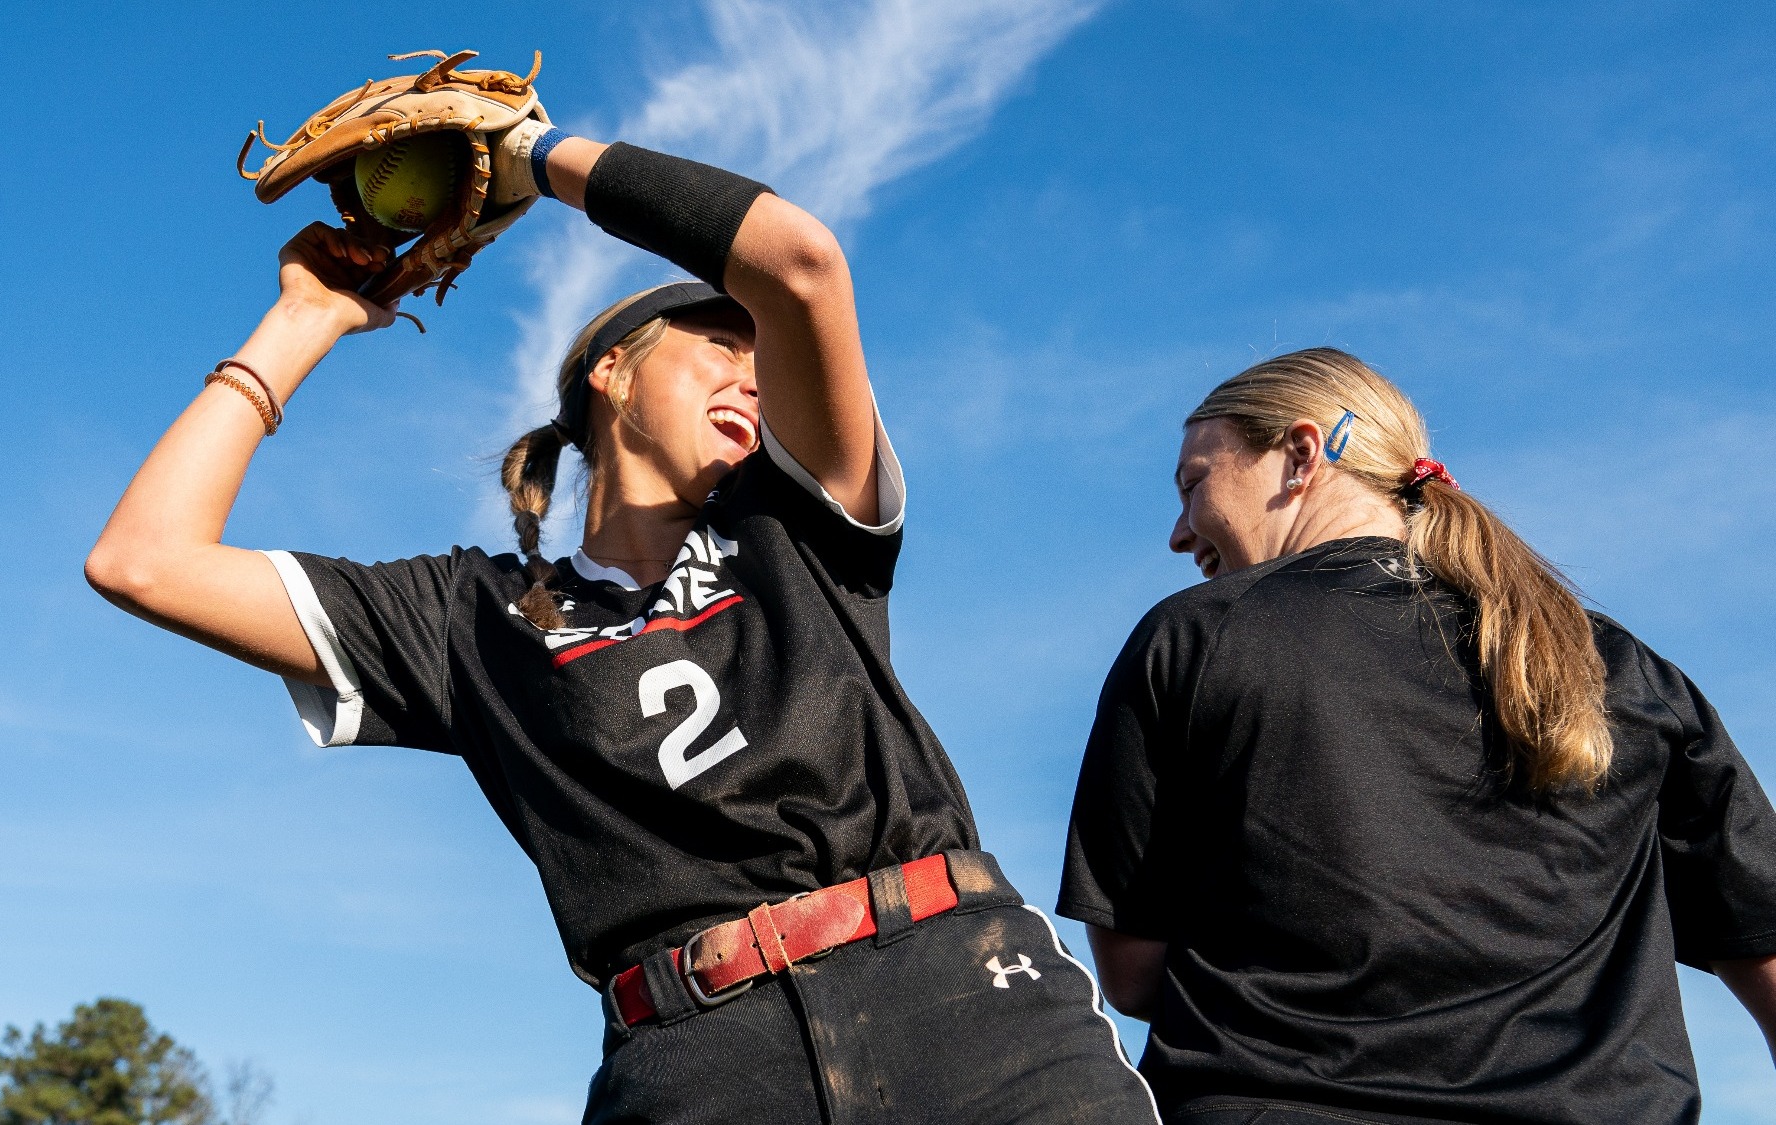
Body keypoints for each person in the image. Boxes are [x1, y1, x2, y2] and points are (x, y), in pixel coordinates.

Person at [88, 123, 1159, 1122]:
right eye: (717, 347)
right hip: (701, 1062)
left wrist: (529, 150)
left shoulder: (798, 522)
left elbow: (800, 264)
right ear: (612, 369)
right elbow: (143, 562)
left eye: (760, 354)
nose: (752, 374)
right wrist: (302, 320)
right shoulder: (464, 616)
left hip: (966, 1006)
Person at [1058, 348, 1776, 1124]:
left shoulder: (1193, 639)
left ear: (1300, 455)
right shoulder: (1607, 662)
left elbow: (1131, 973)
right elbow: (1763, 943)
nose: (1178, 531)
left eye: (1194, 483)